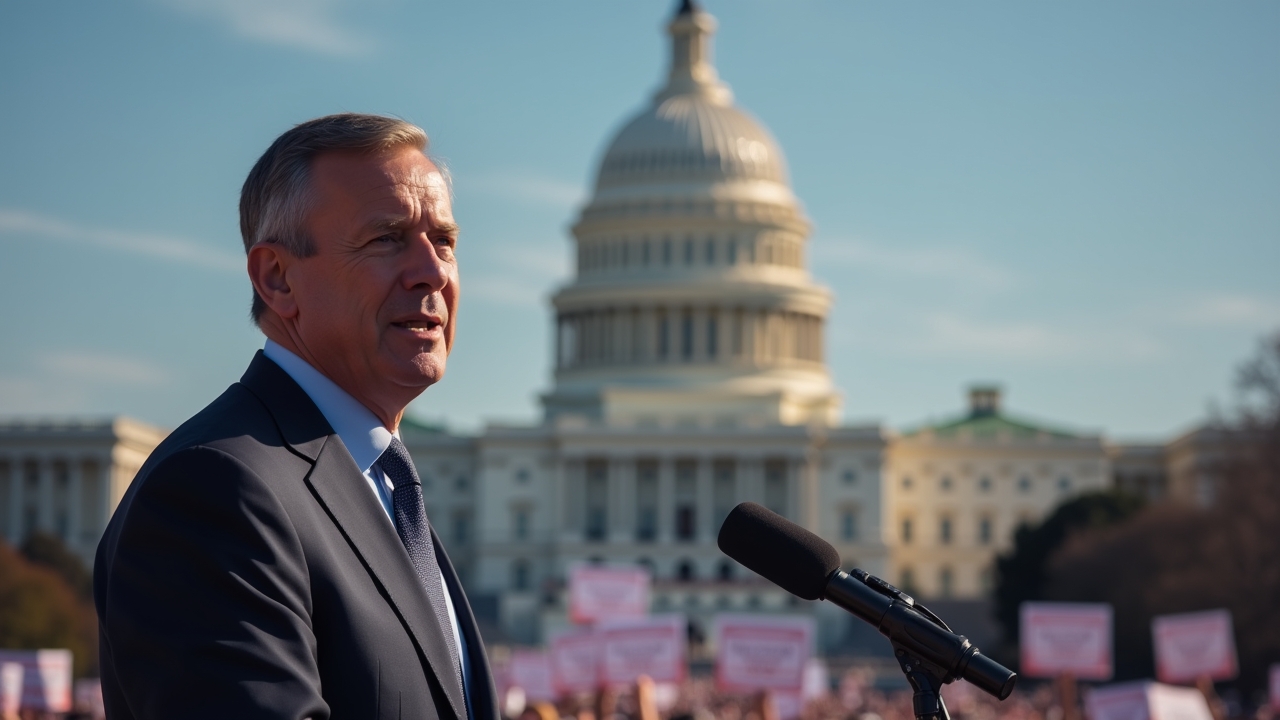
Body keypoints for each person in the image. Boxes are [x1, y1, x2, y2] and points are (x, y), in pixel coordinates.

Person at [94, 113, 496, 720]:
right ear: (277, 279)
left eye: (443, 240)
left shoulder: (381, 489)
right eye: (386, 238)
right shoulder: (216, 490)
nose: (432, 271)